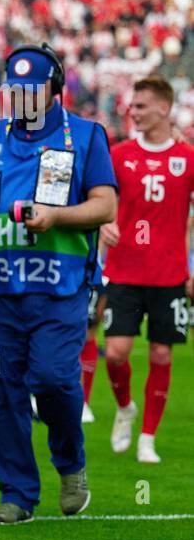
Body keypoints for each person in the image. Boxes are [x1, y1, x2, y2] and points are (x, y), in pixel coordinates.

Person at [0, 42, 118, 525]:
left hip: (60, 290)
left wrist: (56, 217)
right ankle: (16, 493)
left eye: (32, 89)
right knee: (4, 392)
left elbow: (105, 206)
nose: (22, 97)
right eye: (15, 89)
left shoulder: (88, 137)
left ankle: (70, 462)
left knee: (54, 380)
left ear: (55, 91)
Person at [101, 76, 194, 464]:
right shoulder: (119, 155)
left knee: (160, 355)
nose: (132, 113)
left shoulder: (188, 158)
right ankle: (125, 408)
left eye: (140, 106)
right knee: (116, 354)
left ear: (163, 108)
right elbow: (99, 197)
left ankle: (147, 438)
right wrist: (103, 220)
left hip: (169, 274)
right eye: (131, 106)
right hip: (123, 270)